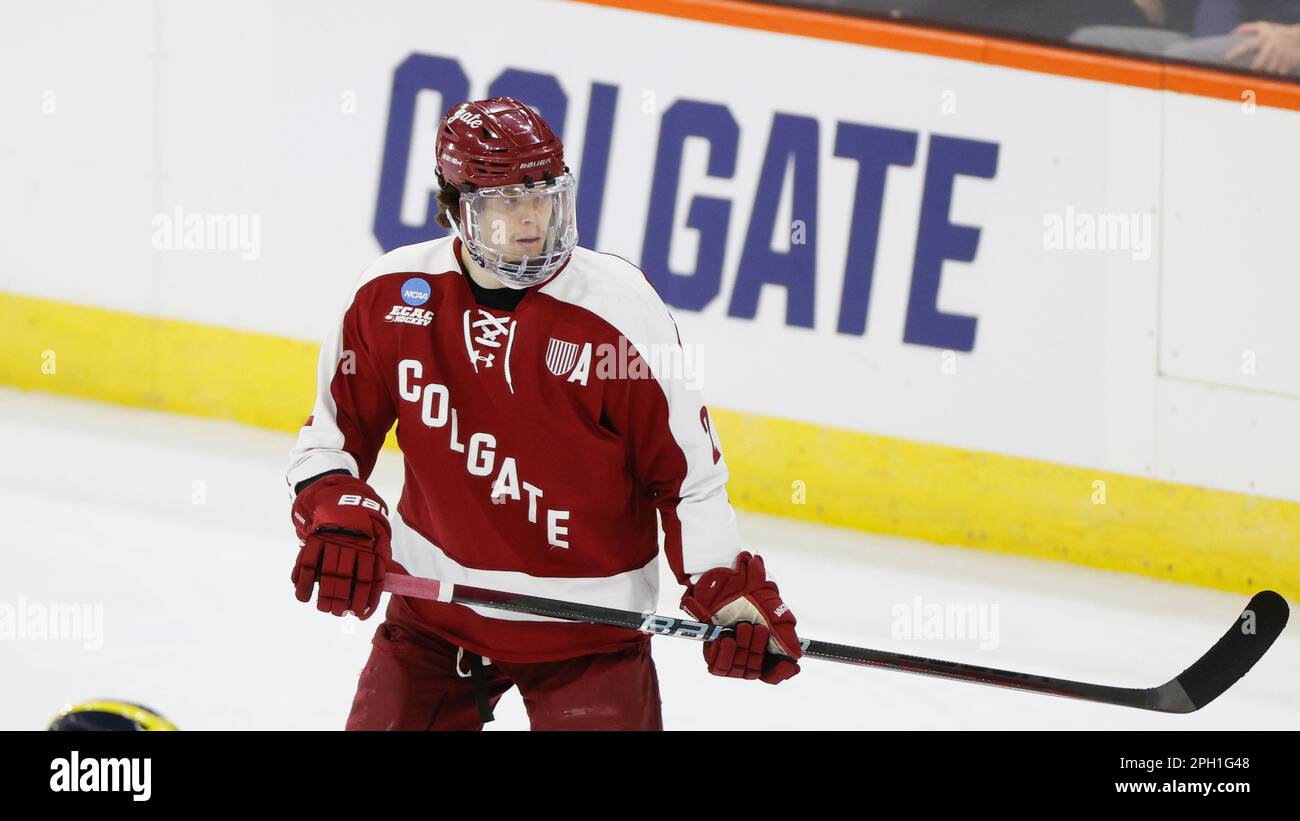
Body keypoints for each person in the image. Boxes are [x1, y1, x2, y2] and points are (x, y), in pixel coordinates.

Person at [285, 96, 802, 730]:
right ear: (455, 206)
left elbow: (687, 480)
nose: (531, 218)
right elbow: (328, 444)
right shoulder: (390, 297)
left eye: (543, 195)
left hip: (588, 633)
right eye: (505, 200)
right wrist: (339, 516)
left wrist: (728, 595)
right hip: (434, 620)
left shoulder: (619, 313)